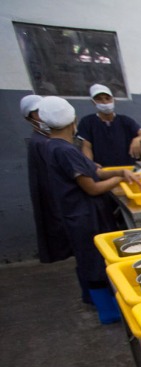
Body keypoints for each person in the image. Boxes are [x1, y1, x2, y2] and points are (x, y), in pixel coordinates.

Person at [40, 96, 141, 322]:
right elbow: (93, 187)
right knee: (93, 262)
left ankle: (102, 303)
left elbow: (94, 171)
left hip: (81, 212)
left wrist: (120, 172)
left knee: (92, 259)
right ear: (72, 120)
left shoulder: (58, 146)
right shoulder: (64, 150)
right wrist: (120, 181)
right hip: (83, 215)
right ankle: (109, 313)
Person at [22, 94, 72, 266]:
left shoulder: (50, 142)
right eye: (37, 112)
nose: (42, 116)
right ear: (29, 118)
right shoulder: (45, 143)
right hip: (58, 198)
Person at [76, 84, 141, 167]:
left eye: (107, 98)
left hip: (128, 166)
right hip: (103, 168)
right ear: (93, 102)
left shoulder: (125, 120)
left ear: (113, 100)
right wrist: (90, 164)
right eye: (99, 99)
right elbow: (86, 146)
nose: (104, 102)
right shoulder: (88, 122)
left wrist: (137, 139)